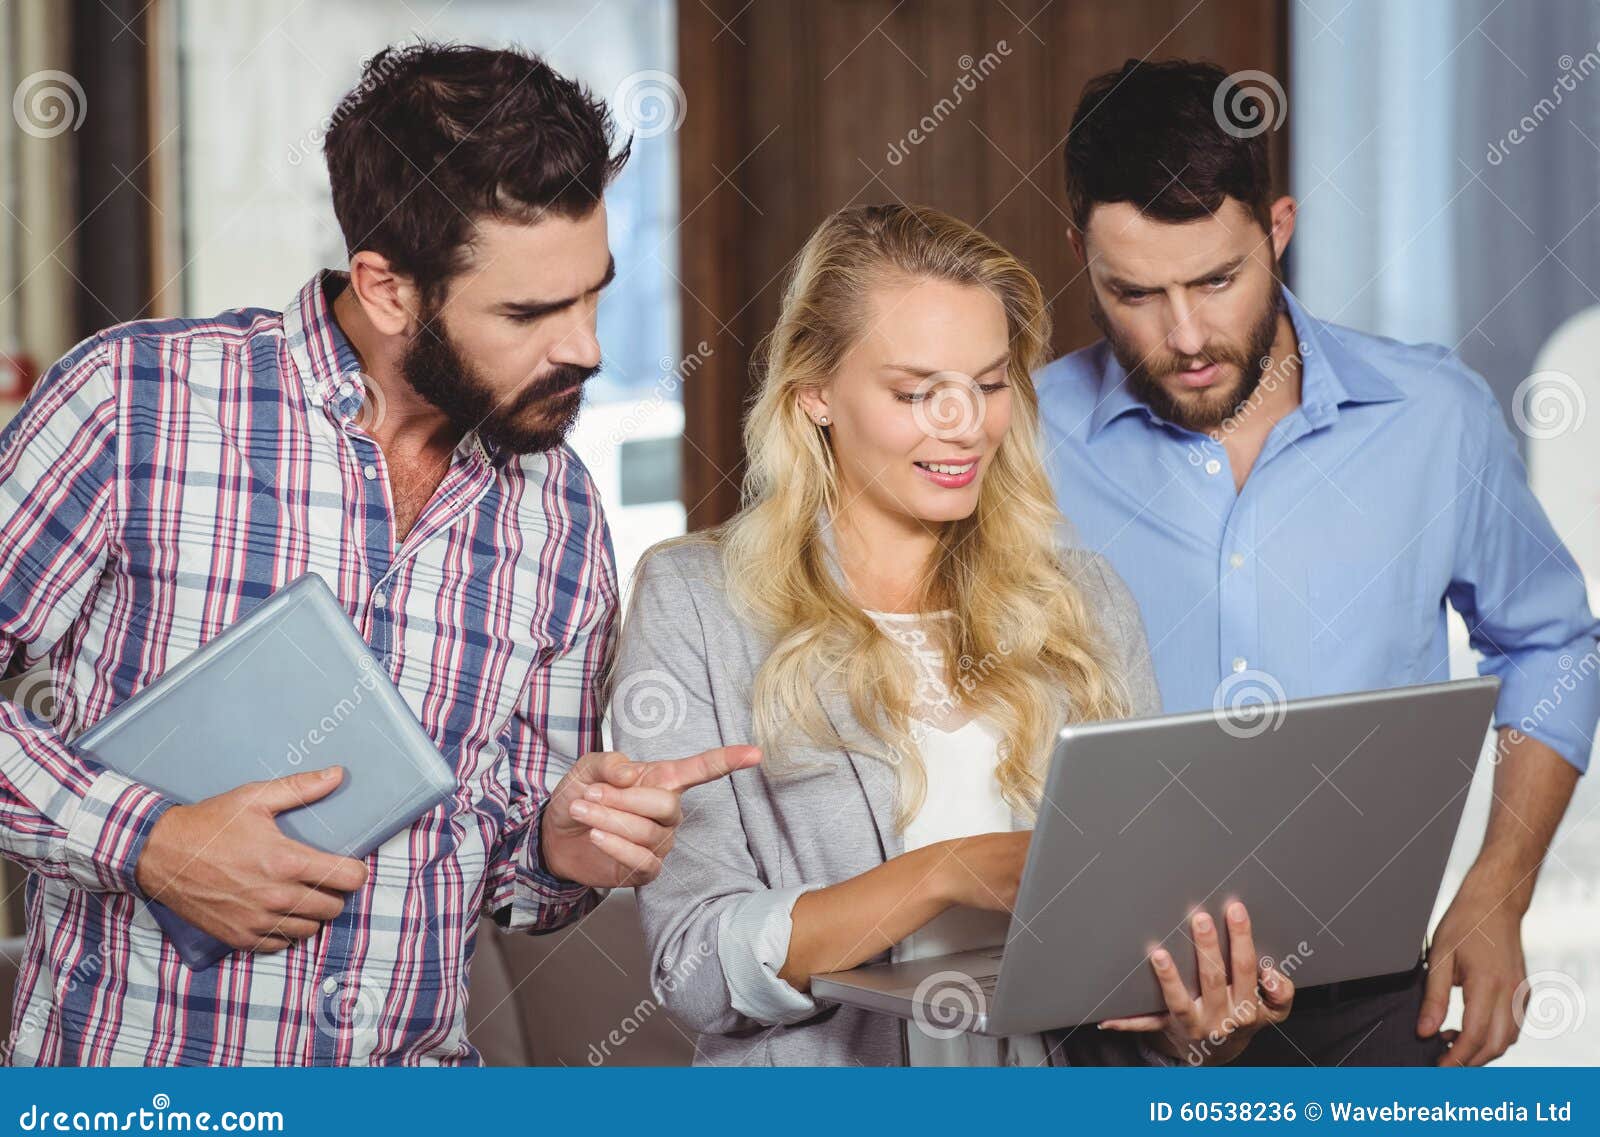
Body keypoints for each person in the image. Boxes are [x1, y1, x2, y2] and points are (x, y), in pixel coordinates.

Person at [0, 43, 755, 1066]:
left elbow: (514, 874)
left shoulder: (561, 508)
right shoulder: (135, 404)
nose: (584, 346)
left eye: (592, 294)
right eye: (531, 312)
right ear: (388, 288)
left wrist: (561, 845)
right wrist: (148, 840)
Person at [612, 203, 1295, 1066]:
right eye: (914, 392)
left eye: (989, 382)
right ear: (815, 393)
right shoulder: (696, 602)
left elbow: (1132, 957)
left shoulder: (1081, 601)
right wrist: (945, 872)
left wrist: (1191, 1023)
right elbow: (693, 969)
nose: (965, 423)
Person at [1037, 58, 1600, 1066]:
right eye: (1134, 292)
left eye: (1217, 280)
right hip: (1107, 1019)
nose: (1185, 336)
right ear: (1080, 254)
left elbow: (1553, 639)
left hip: (1378, 1008)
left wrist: (1497, 888)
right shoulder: (1016, 444)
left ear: (1279, 229)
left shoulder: (1435, 417)